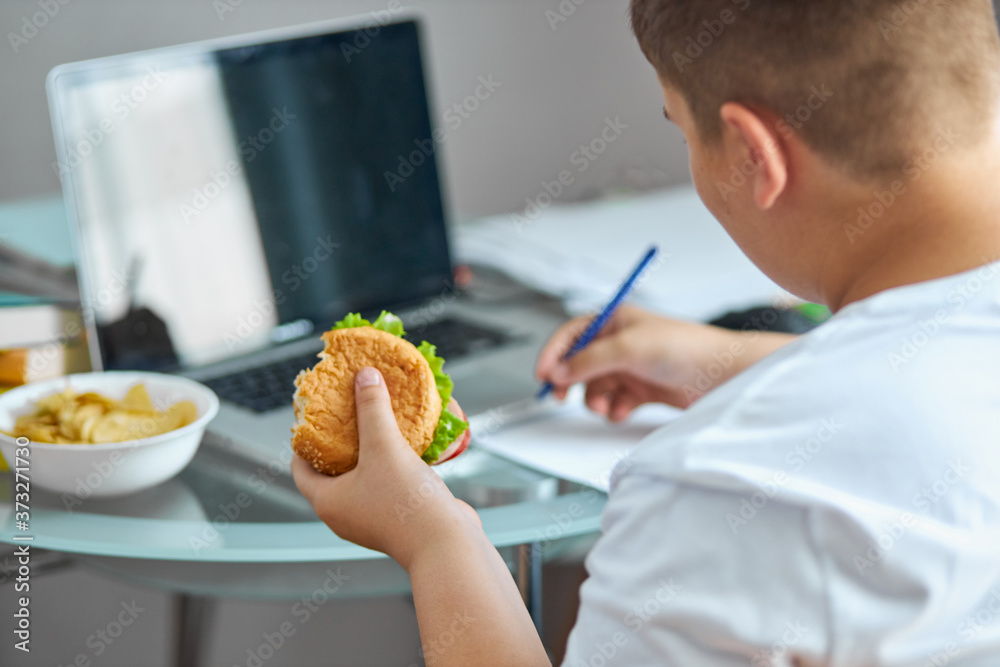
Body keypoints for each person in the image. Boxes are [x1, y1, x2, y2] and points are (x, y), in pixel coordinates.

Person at [292, 0, 1000, 663]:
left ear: (756, 154)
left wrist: (435, 539)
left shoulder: (724, 485)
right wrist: (732, 362)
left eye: (682, 130)